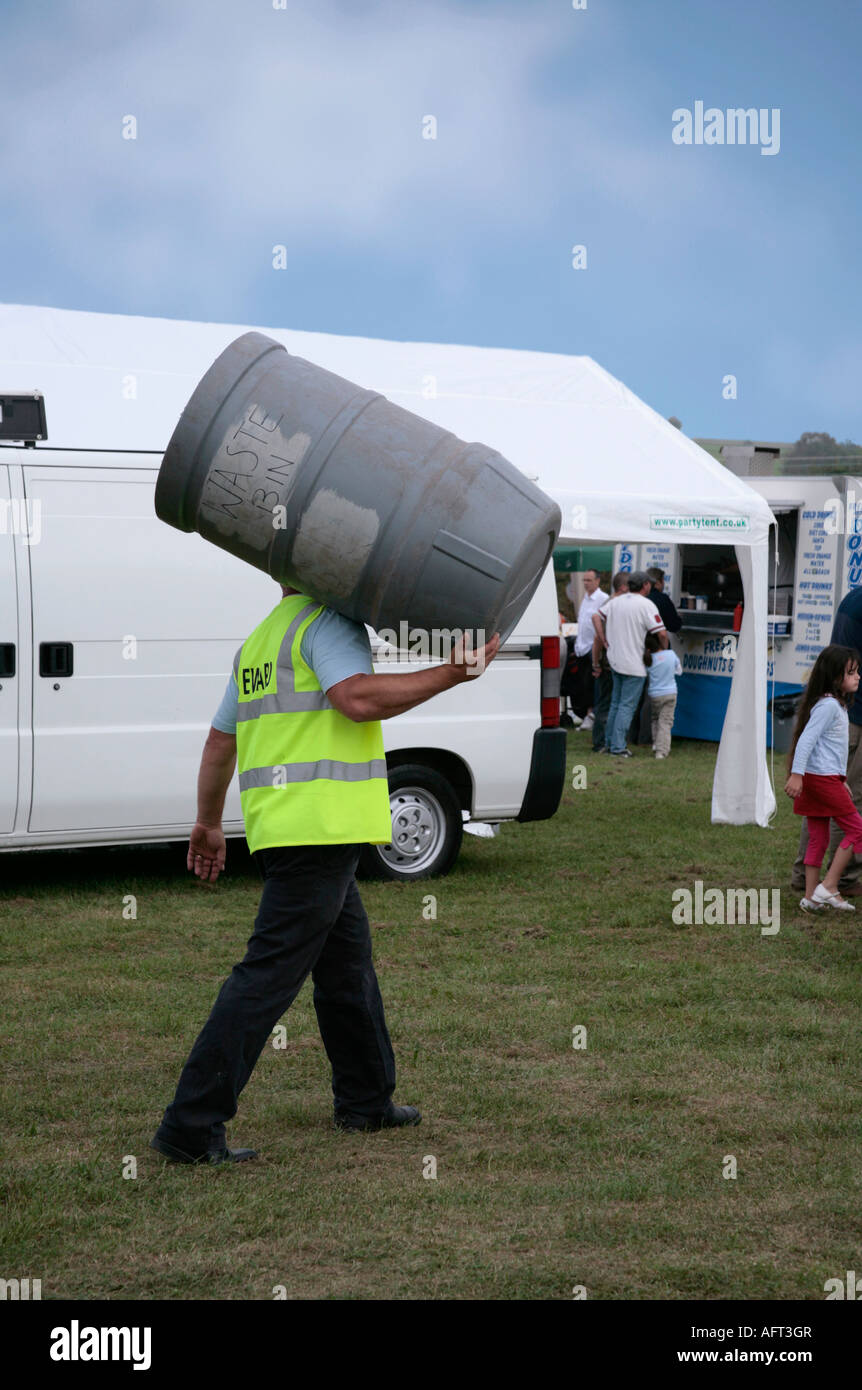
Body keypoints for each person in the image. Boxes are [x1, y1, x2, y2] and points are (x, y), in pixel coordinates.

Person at [151, 584, 500, 1165]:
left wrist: (208, 822)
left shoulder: (262, 640)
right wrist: (452, 673)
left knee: (346, 965)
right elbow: (358, 699)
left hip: (286, 830)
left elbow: (220, 740)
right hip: (319, 829)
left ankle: (366, 1101)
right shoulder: (328, 622)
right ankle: (190, 1124)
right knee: (265, 976)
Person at [792, 585, 862, 896]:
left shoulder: (853, 597)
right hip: (855, 722)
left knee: (821, 812)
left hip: (847, 724)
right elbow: (806, 740)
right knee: (851, 807)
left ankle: (807, 882)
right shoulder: (831, 707)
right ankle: (837, 881)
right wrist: (796, 774)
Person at [597, 571, 668, 756]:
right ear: (645, 585)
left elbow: (596, 617)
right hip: (633, 663)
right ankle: (618, 748)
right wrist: (664, 651)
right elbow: (661, 633)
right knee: (626, 706)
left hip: (614, 659)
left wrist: (603, 637)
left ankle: (609, 743)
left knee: (616, 704)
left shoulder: (616, 601)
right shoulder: (647, 605)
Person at [590, 571, 627, 752]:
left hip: (608, 662)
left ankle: (606, 741)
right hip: (607, 663)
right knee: (606, 703)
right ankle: (600, 742)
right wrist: (596, 664)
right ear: (623, 587)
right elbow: (598, 639)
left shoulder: (609, 604)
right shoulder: (611, 606)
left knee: (609, 702)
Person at [571, 568, 607, 731]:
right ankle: (586, 714)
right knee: (582, 684)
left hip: (592, 648)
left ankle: (591, 714)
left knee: (591, 684)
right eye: (584, 580)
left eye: (589, 580)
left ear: (597, 581)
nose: (586, 583)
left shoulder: (603, 599)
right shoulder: (585, 598)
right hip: (581, 647)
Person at [644, 632, 681, 758]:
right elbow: (679, 671)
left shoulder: (649, 659)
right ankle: (662, 750)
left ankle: (656, 743)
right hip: (670, 693)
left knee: (655, 719)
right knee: (665, 722)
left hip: (655, 695)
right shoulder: (671, 654)